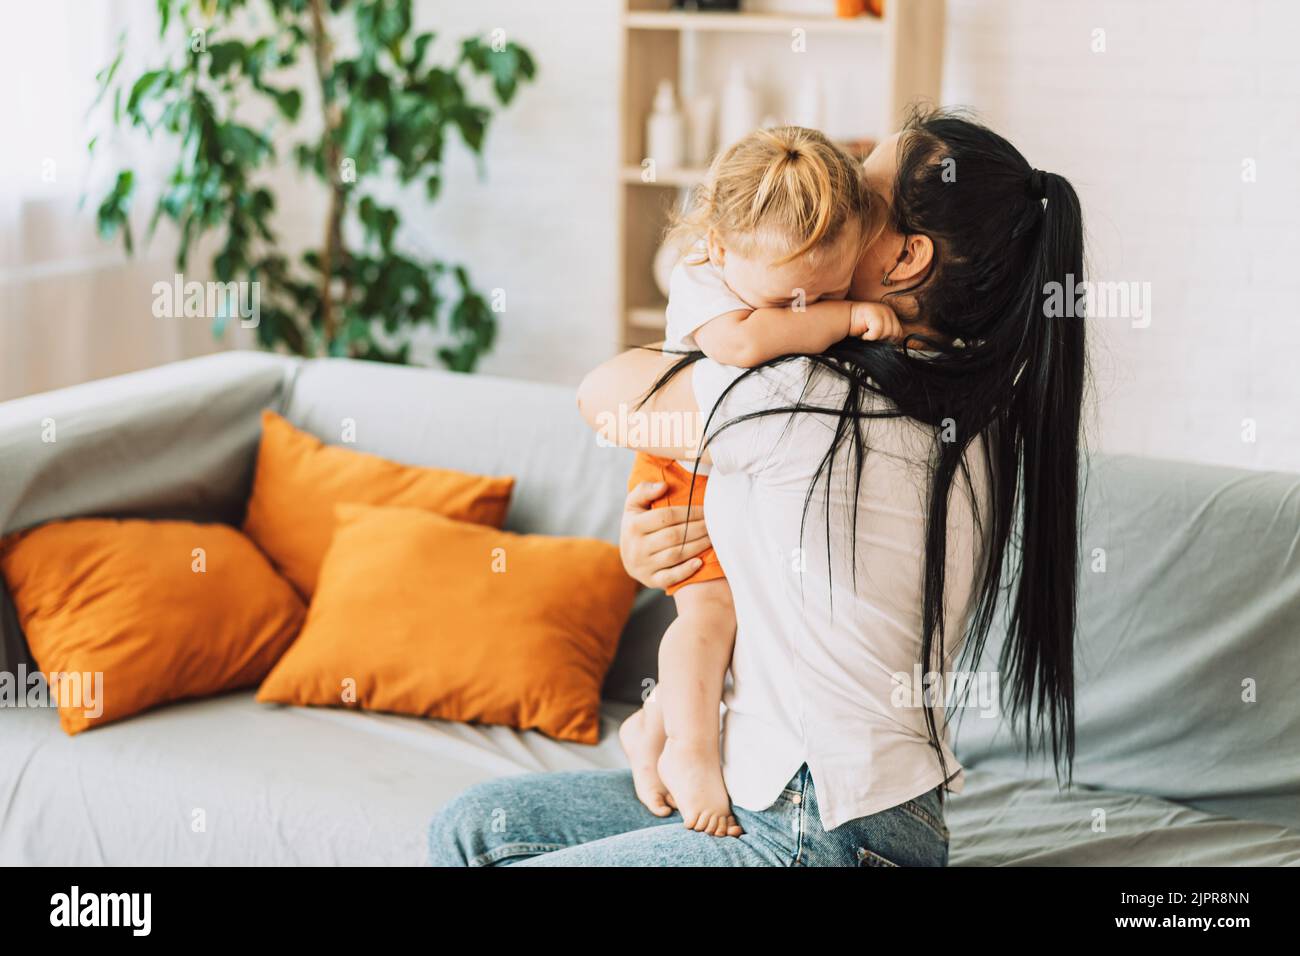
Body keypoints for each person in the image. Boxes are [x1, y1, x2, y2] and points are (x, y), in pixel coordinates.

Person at [427, 108, 1087, 867]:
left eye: (857, 196)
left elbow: (604, 398)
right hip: (811, 797)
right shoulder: (980, 416)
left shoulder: (811, 395)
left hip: (820, 821)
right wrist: (664, 548)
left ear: (905, 259)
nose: (827, 198)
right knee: (475, 826)